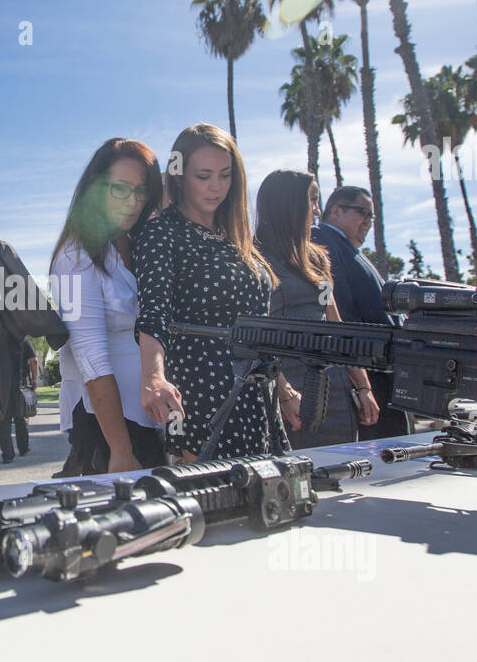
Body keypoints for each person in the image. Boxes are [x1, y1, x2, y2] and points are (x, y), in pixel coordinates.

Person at [135, 124, 299, 462]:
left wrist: (283, 389)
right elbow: (154, 315)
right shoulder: (161, 233)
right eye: (204, 175)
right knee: (211, 504)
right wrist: (153, 378)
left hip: (258, 398)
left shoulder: (239, 238)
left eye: (225, 175)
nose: (216, 187)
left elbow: (259, 327)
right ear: (179, 176)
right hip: (200, 396)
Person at [50, 138, 166, 474]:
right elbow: (90, 359)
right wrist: (120, 450)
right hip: (107, 430)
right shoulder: (73, 256)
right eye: (119, 189)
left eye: (142, 190)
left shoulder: (135, 244)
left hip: (149, 421)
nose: (133, 201)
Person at [254, 170, 380, 447]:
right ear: (286, 203)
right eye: (311, 200)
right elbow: (255, 335)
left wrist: (362, 386)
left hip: (334, 390)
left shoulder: (317, 257)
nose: (317, 210)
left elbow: (335, 326)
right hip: (288, 393)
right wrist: (284, 394)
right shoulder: (254, 257)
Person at [312, 185, 411, 439]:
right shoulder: (323, 239)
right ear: (336, 211)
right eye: (362, 213)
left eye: (372, 217)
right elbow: (338, 312)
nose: (368, 222)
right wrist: (361, 383)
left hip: (379, 373)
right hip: (364, 373)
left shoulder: (346, 247)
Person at [0, 337, 38, 463]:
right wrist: (34, 378)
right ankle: (23, 447)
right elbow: (33, 361)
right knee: (20, 416)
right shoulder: (23, 340)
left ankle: (7, 454)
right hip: (19, 383)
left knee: (3, 420)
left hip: (1, 383)